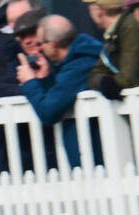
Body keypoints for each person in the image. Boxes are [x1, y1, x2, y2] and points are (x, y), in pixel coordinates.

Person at [18, 15, 103, 167]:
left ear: (53, 45)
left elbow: (49, 112)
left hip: (94, 157)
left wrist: (30, 82)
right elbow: (59, 94)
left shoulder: (79, 65)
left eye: (40, 43)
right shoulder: (74, 62)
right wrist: (44, 79)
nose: (39, 49)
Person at [84, 0, 139, 97]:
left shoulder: (131, 28)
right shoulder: (114, 32)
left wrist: (110, 84)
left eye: (90, 8)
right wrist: (104, 82)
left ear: (98, 11)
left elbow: (129, 78)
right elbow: (94, 74)